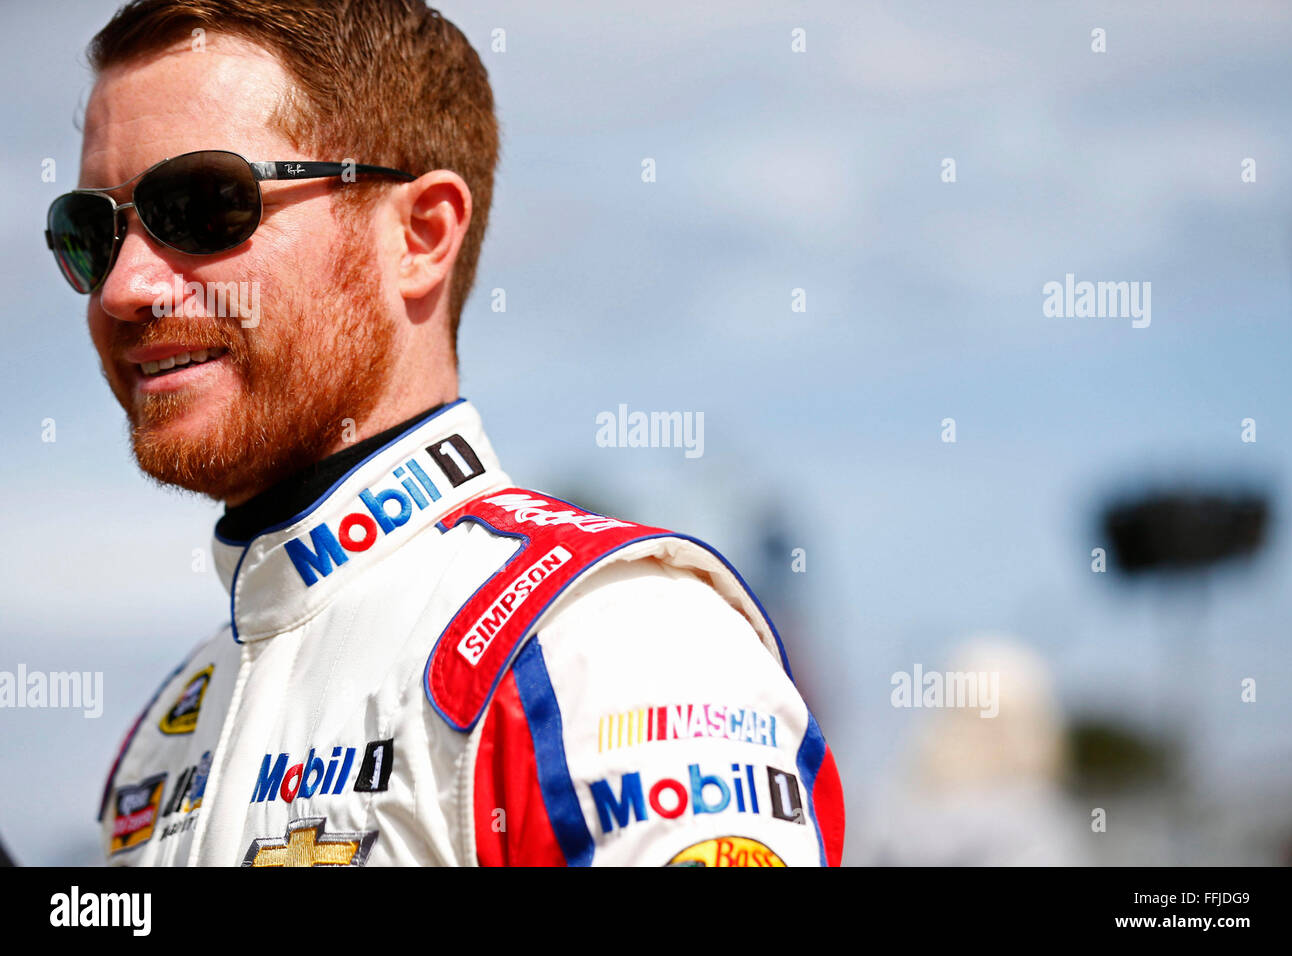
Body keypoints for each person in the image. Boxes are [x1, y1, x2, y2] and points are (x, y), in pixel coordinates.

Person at [51, 0, 843, 867]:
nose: (124, 287)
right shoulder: (160, 754)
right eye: (93, 232)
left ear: (421, 235)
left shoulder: (606, 639)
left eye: (201, 206)